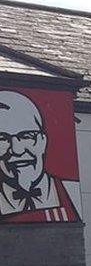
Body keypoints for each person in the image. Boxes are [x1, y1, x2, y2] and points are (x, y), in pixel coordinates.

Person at [0, 90, 79, 223]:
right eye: (2, 139)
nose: (17, 150)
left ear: (43, 140)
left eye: (26, 136)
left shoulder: (72, 193)